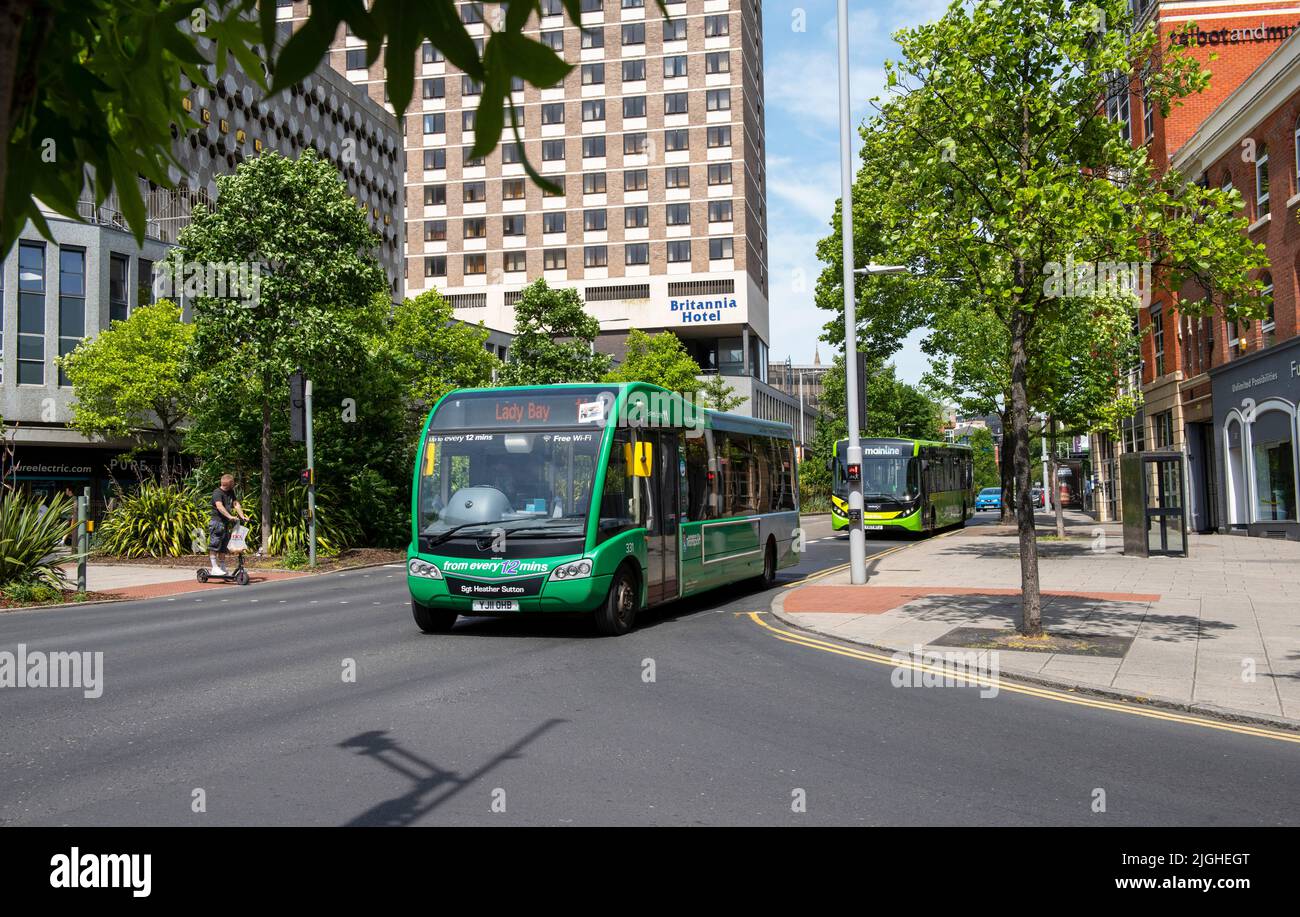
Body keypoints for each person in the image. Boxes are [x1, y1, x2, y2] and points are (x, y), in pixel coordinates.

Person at [208, 474, 248, 575]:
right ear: (229, 483)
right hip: (216, 522)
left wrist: (242, 516)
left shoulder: (231, 492)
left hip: (225, 524)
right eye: (233, 482)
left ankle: (222, 567)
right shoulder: (217, 492)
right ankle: (214, 567)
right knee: (214, 544)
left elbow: (236, 504)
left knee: (223, 546)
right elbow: (219, 506)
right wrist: (230, 517)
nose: (234, 484)